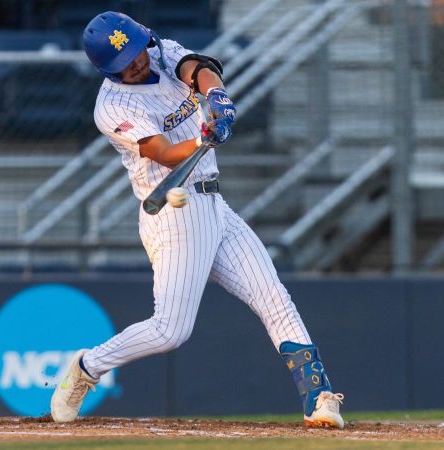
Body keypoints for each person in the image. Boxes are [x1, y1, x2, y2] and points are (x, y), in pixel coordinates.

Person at [50, 11, 345, 429]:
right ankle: (89, 365)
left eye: (136, 51)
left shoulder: (160, 52)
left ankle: (318, 397)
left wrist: (217, 99)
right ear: (106, 69)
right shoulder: (112, 105)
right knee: (171, 330)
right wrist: (203, 137)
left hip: (214, 206)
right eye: (125, 61)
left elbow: (198, 69)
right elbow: (164, 152)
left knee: (273, 296)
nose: (136, 62)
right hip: (175, 214)